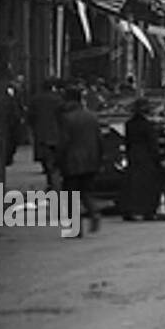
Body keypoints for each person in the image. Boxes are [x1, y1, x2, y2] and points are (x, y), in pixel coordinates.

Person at [58, 86, 103, 236]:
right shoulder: (91, 116)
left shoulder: (66, 118)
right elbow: (99, 139)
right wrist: (98, 158)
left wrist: (58, 159)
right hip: (90, 160)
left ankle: (75, 228)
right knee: (86, 191)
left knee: (71, 195)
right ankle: (94, 212)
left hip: (72, 161)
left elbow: (64, 141)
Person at [122, 98, 163, 221]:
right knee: (148, 185)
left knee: (131, 184)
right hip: (146, 157)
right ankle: (147, 211)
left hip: (133, 156)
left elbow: (127, 141)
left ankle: (129, 210)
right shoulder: (147, 125)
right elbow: (152, 143)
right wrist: (157, 158)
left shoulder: (129, 124)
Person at [28, 78, 63, 188]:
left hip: (41, 131)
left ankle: (50, 178)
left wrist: (33, 127)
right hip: (56, 131)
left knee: (45, 156)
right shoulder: (58, 99)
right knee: (54, 158)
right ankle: (53, 180)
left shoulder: (35, 100)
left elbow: (30, 116)